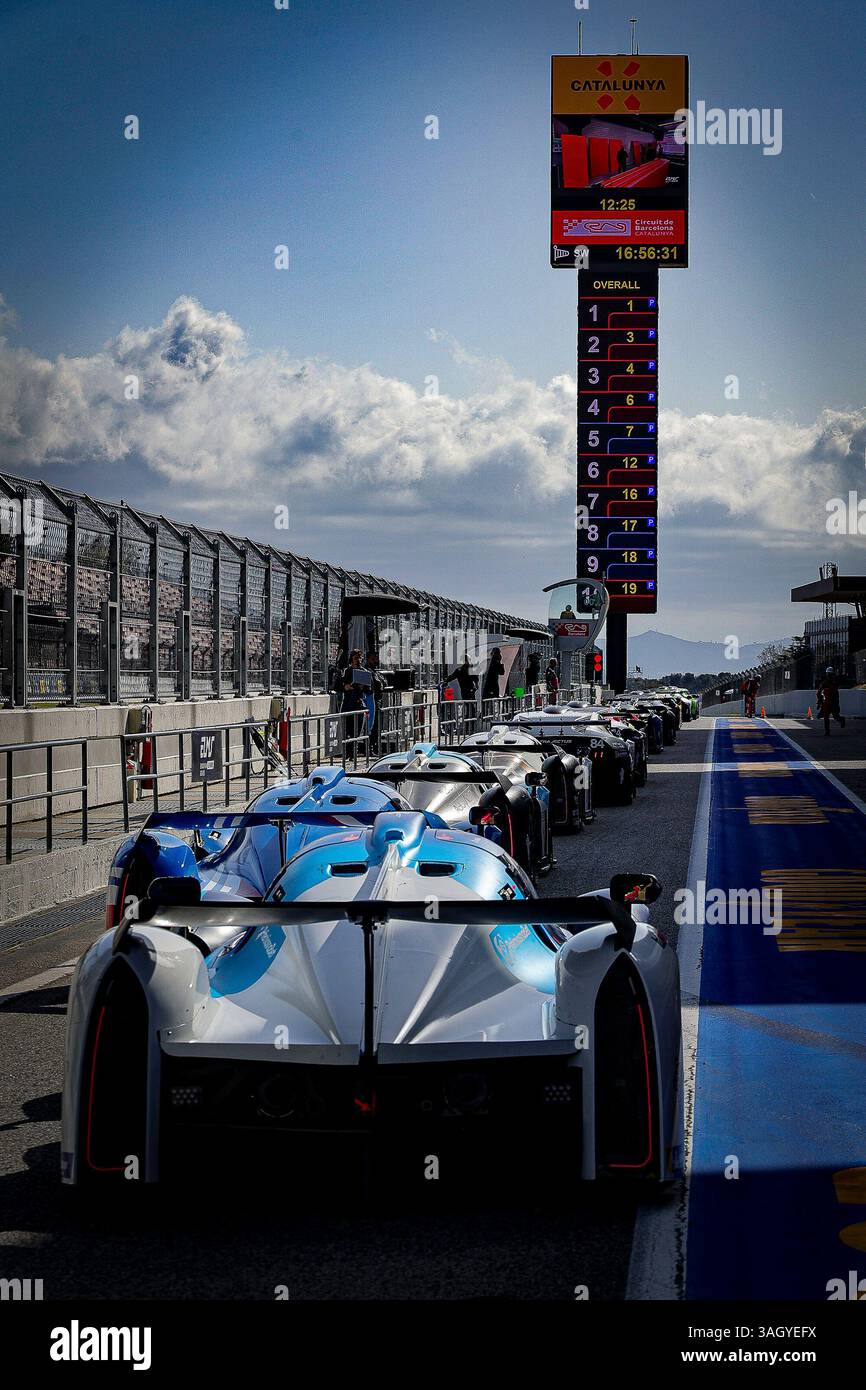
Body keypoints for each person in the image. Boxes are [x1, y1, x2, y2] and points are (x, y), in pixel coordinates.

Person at [340, 648, 367, 749]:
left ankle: (354, 750)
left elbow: (368, 688)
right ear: (352, 659)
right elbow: (341, 685)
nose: (358, 660)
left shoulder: (364, 672)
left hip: (358, 702)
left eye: (360, 658)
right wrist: (347, 687)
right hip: (348, 703)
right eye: (356, 658)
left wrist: (362, 686)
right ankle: (348, 751)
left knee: (357, 729)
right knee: (348, 729)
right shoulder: (347, 671)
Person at [816, 666, 845, 736]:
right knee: (826, 716)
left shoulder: (835, 682)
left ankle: (841, 720)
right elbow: (819, 692)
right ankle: (827, 731)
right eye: (829, 674)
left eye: (831, 674)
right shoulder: (825, 682)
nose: (830, 676)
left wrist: (820, 701)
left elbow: (819, 692)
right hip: (828, 702)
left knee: (835, 716)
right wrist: (820, 701)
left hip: (834, 702)